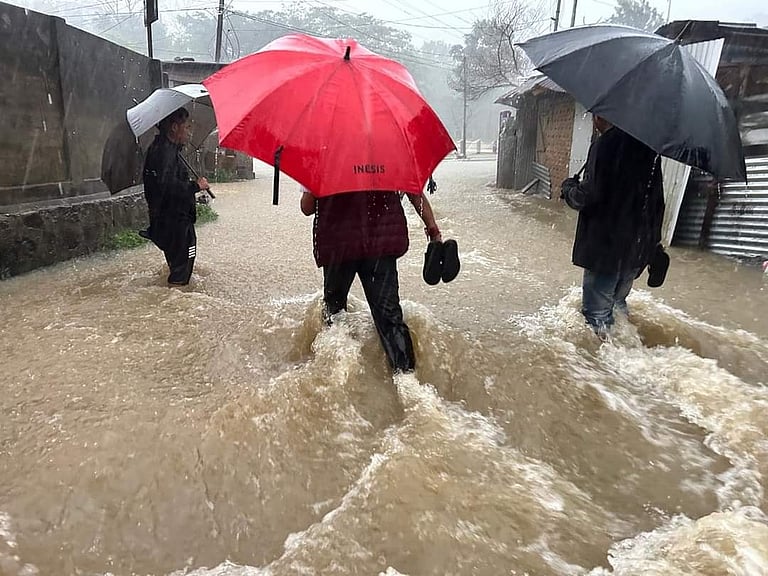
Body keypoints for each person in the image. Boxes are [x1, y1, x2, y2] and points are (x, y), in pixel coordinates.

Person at [300, 187, 442, 374]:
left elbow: (307, 208)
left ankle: (334, 371)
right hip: (380, 245)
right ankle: (406, 377)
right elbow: (414, 192)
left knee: (334, 313)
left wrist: (318, 187)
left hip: (339, 246)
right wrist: (433, 230)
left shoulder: (323, 167)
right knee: (390, 318)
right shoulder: (390, 166)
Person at [560, 115, 665, 337]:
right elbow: (657, 202)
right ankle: (624, 346)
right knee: (618, 305)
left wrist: (568, 189)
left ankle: (603, 355)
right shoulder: (648, 149)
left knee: (597, 314)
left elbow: (587, 196)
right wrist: (653, 243)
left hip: (605, 249)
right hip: (635, 250)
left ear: (600, 116)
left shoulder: (606, 145)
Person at [142, 107, 208, 286]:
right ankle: (177, 299)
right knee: (182, 273)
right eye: (186, 127)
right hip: (176, 224)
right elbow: (167, 187)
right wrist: (196, 186)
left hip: (167, 222)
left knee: (178, 266)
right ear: (174, 127)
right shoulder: (164, 153)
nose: (189, 132)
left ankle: (172, 296)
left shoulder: (165, 150)